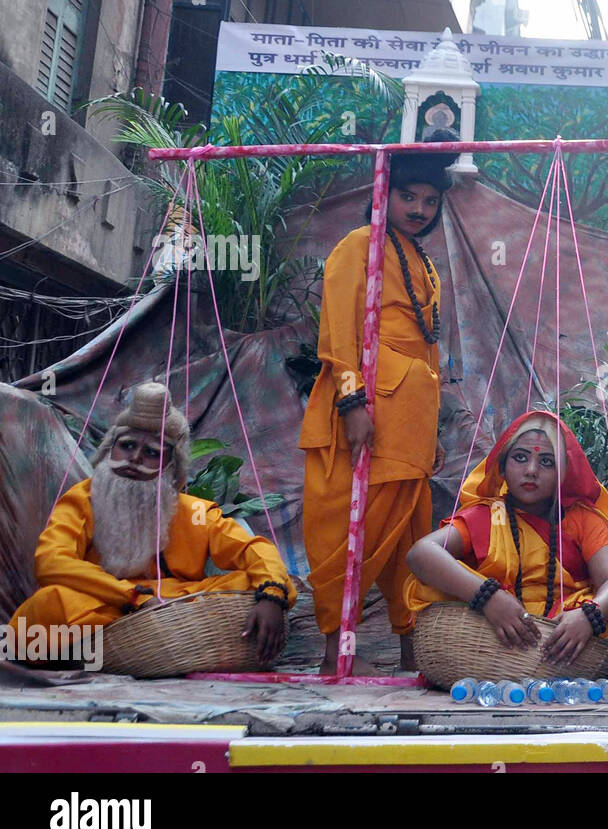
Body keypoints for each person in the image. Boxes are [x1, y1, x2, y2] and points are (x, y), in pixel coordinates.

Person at [299, 138, 457, 674]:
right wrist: (351, 402)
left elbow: (427, 346)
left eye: (430, 202)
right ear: (384, 194)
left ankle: (416, 652)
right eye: (408, 197)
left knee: (409, 536)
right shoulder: (358, 245)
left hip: (410, 423)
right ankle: (333, 653)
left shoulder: (422, 261)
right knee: (349, 528)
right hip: (365, 414)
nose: (419, 209)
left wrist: (429, 427)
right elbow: (340, 332)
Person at [13, 382, 294, 665]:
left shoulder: (195, 512)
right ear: (109, 451)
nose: (135, 458)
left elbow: (252, 549)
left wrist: (271, 595)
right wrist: (132, 596)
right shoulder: (82, 499)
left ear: (171, 467)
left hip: (173, 606)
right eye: (127, 446)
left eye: (152, 453)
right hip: (103, 601)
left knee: (264, 583)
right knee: (51, 601)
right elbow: (51, 562)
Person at [404, 411, 608, 664]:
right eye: (520, 458)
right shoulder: (488, 516)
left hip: (566, 624)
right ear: (502, 467)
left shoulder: (582, 518)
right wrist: (490, 599)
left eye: (547, 462)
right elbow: (420, 553)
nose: (531, 471)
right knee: (430, 587)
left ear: (563, 474)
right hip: (494, 620)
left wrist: (588, 617)